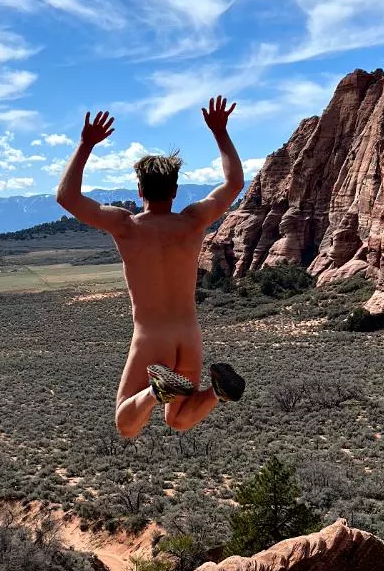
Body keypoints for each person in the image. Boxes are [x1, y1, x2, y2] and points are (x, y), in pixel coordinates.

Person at [56, 96, 247, 438]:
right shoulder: (193, 221)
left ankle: (155, 391)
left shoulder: (126, 226)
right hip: (189, 335)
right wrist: (220, 131)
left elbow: (67, 197)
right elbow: (234, 184)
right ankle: (217, 392)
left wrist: (86, 143)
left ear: (139, 190)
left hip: (151, 336)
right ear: (175, 190)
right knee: (178, 419)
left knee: (126, 424)